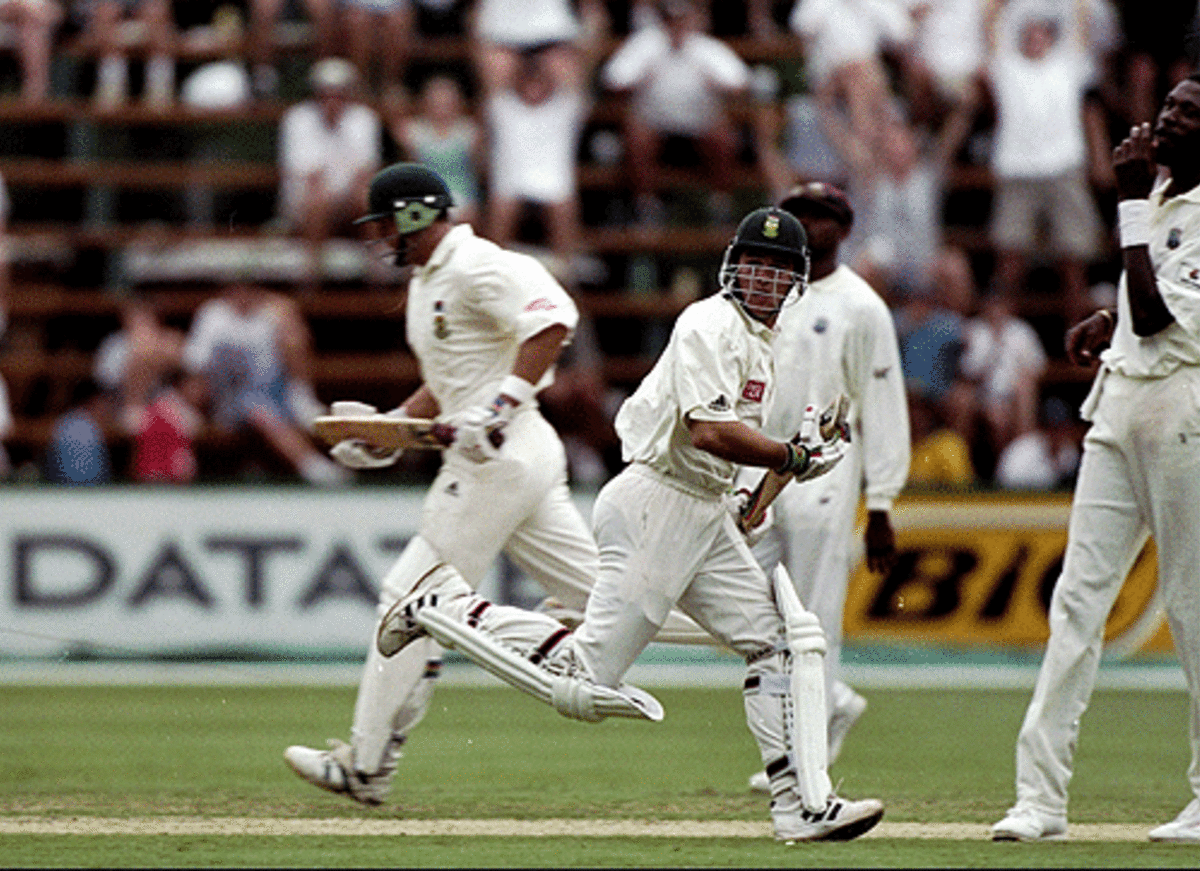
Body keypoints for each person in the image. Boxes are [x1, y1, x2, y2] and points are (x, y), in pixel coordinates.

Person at [360, 204, 886, 842]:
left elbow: (743, 451)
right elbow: (710, 431)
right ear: (732, 268)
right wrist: (791, 456)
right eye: (753, 264)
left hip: (703, 506)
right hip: (656, 502)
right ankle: (446, 605)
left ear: (798, 281)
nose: (763, 279)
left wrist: (768, 486)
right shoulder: (709, 324)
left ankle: (799, 806)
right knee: (585, 681)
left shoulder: (765, 348)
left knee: (782, 641)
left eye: (777, 269)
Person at [282, 162, 707, 806]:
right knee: (605, 597)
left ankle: (367, 765)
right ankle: (759, 627)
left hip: (500, 456)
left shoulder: (476, 263)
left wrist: (498, 407)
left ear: (419, 215)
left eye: (387, 223)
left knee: (409, 598)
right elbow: (453, 376)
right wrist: (392, 428)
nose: (381, 238)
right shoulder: (430, 279)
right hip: (510, 456)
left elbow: (553, 316)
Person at [991, 75, 1200, 843]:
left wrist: (1128, 200)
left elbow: (1159, 312)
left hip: (1188, 415)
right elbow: (1145, 308)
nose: (1165, 119)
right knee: (1075, 603)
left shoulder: (1157, 200)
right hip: (1120, 407)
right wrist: (1109, 317)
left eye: (1187, 113)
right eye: (1170, 105)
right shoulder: (1168, 196)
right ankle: (1039, 799)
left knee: (1192, 607)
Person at [745, 183, 910, 796]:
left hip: (827, 469)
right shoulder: (765, 293)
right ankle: (830, 701)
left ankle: (804, 756)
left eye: (821, 216)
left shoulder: (861, 306)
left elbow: (883, 406)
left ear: (844, 227)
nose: (808, 226)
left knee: (813, 614)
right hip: (759, 465)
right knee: (744, 600)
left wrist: (883, 501)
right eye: (797, 215)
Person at [599, 0, 751, 226]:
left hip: (699, 124)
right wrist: (636, 83)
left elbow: (740, 82)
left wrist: (719, 86)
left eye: (681, 19)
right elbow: (612, 80)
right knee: (636, 135)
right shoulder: (644, 44)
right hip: (655, 123)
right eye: (671, 20)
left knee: (722, 136)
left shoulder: (706, 47)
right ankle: (646, 207)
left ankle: (720, 203)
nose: (676, 26)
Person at [180, 281, 343, 486]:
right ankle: (313, 466)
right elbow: (196, 365)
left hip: (275, 391)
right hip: (227, 396)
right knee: (259, 410)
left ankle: (301, 397)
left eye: (249, 287)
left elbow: (290, 346)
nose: (242, 293)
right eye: (237, 287)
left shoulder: (274, 311)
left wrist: (284, 312)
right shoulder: (213, 314)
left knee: (262, 403)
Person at [277, 57, 382, 292]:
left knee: (367, 195)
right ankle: (311, 275)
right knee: (318, 199)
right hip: (307, 204)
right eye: (327, 94)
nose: (332, 100)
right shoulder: (297, 119)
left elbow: (365, 173)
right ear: (316, 94)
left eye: (339, 94)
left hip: (347, 204)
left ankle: (377, 275)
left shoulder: (365, 119)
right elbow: (310, 178)